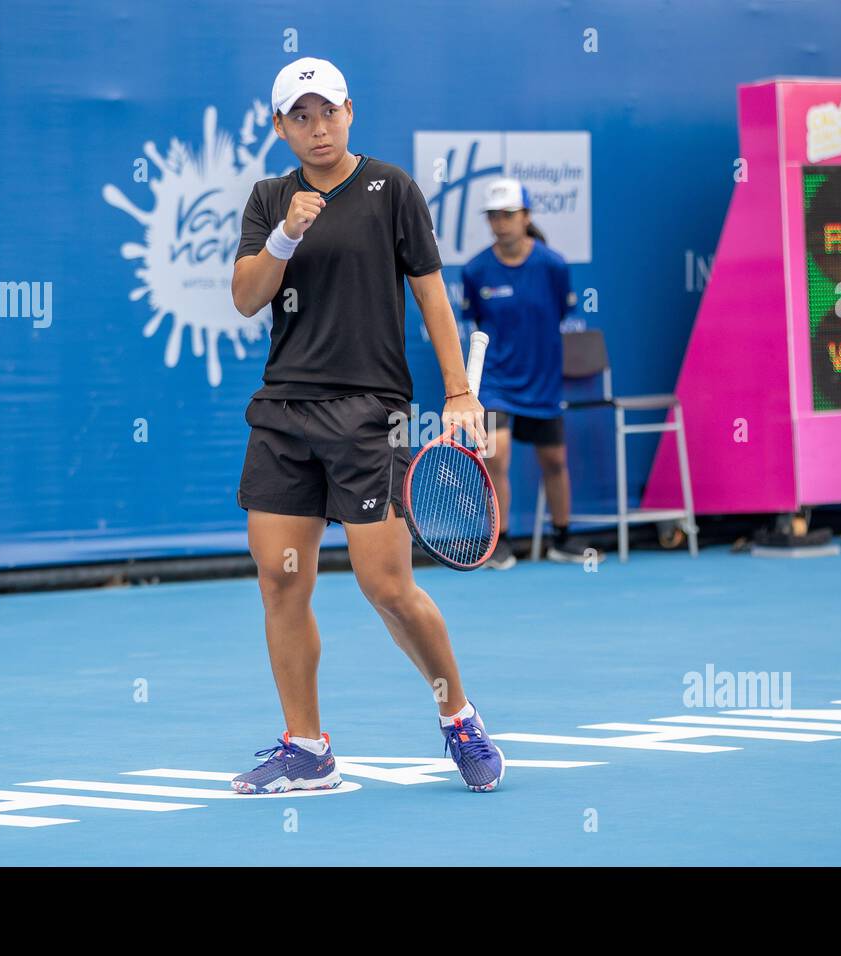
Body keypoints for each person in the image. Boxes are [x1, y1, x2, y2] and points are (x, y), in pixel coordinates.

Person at [229, 57, 505, 793]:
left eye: (329, 112)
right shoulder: (268, 199)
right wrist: (284, 237)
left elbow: (432, 295)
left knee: (387, 587)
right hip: (285, 413)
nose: (318, 128)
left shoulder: (391, 189)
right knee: (280, 584)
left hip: (368, 414)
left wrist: (457, 393)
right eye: (301, 117)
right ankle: (307, 747)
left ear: (350, 111)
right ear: (280, 125)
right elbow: (246, 297)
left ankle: (459, 717)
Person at [461, 178, 590, 569]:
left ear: (526, 217)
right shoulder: (475, 271)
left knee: (554, 461)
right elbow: (477, 324)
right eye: (494, 216)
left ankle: (561, 538)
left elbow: (561, 314)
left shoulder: (553, 266)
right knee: (497, 458)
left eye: (509, 215)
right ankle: (500, 543)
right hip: (498, 383)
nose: (501, 223)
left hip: (544, 382)